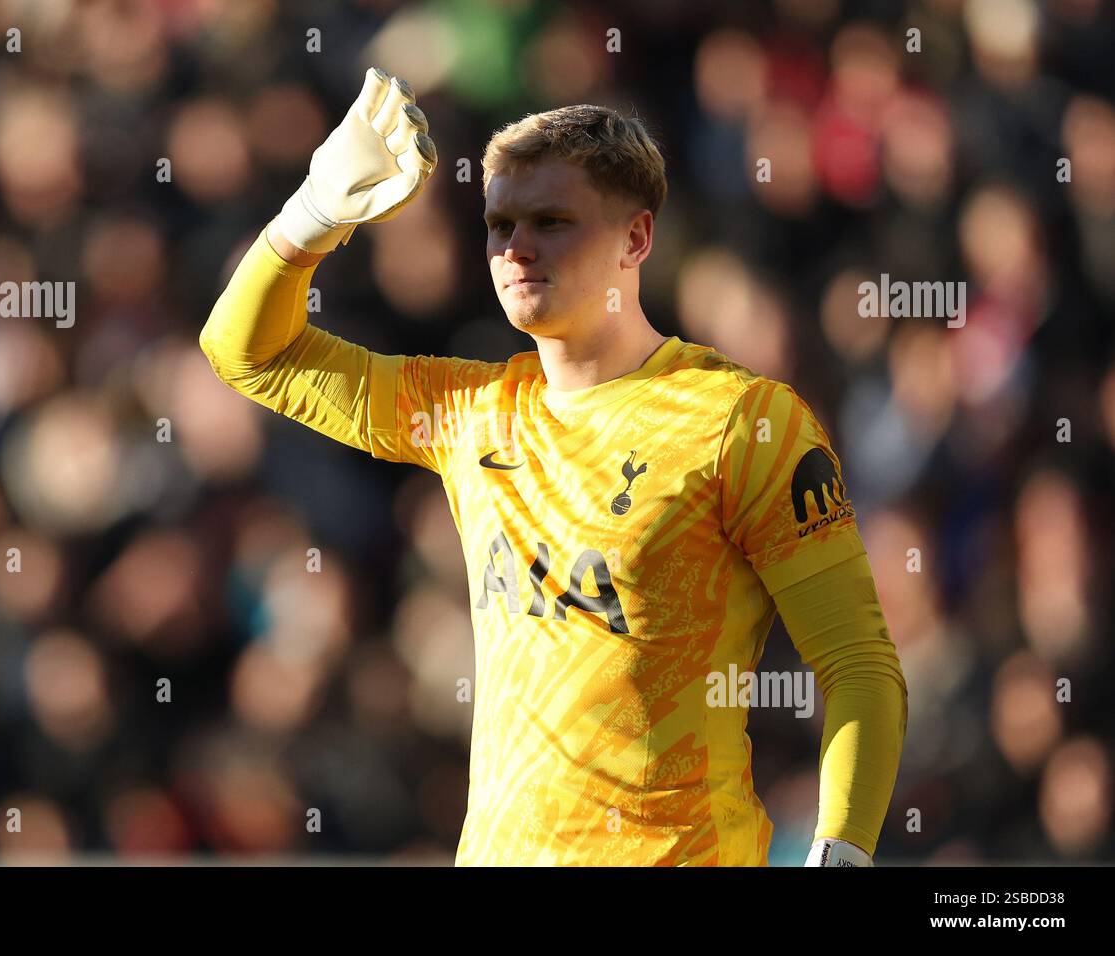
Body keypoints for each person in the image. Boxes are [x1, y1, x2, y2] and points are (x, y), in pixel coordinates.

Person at [200, 67, 907, 866]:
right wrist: (314, 212)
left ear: (636, 239)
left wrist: (843, 850)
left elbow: (859, 665)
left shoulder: (743, 422)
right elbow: (246, 353)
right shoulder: (469, 412)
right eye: (500, 224)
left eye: (551, 221)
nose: (516, 248)